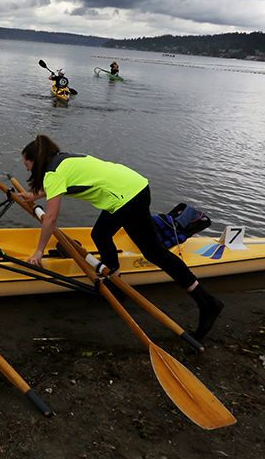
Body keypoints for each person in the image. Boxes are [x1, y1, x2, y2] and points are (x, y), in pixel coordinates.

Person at [18, 134, 223, 341]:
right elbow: (64, 185)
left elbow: (50, 219)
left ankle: (207, 302)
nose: (26, 168)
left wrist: (38, 252)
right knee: (100, 234)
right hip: (129, 187)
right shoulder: (62, 160)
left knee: (154, 252)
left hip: (129, 197)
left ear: (36, 161)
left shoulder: (53, 174)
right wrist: (34, 196)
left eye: (26, 163)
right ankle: (113, 281)